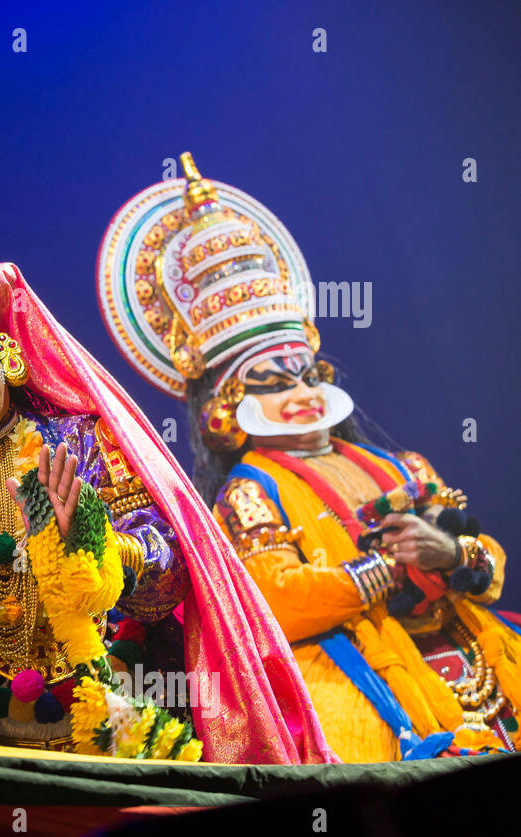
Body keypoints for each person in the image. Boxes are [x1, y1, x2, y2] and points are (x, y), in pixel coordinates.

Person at [98, 153, 518, 761]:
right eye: (273, 382)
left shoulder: (406, 468)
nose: (298, 394)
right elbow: (276, 601)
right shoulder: (248, 493)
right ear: (227, 406)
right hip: (364, 677)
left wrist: (451, 553)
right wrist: (389, 570)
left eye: (306, 375)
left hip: (481, 654)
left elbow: (490, 563)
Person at [0, 259, 335, 763]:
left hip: (138, 724)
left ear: (6, 356)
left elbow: (174, 581)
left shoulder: (82, 440)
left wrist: (99, 545)